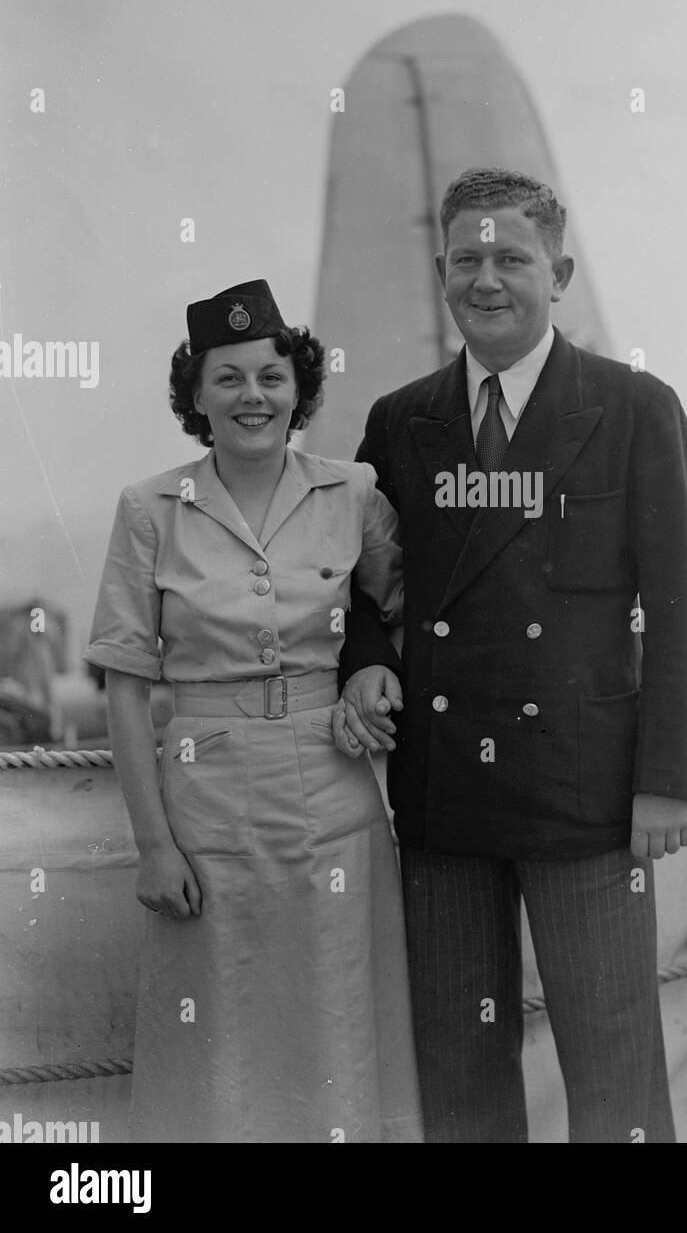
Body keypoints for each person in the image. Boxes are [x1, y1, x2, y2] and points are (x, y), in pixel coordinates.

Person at [339, 169, 687, 1143]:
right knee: (457, 1065)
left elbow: (682, 607)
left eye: (510, 257)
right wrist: (366, 663)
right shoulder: (399, 421)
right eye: (465, 260)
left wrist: (667, 782)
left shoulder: (633, 407)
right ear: (439, 272)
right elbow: (365, 587)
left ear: (556, 271)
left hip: (586, 789)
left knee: (611, 1057)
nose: (487, 278)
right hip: (441, 791)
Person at [83, 279, 421, 1143]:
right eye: (227, 379)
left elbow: (408, 617)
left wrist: (368, 673)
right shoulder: (150, 510)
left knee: (339, 1018)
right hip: (205, 808)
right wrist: (154, 846)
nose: (253, 397)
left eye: (271, 377)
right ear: (194, 396)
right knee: (216, 1032)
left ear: (299, 390)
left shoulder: (353, 494)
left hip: (335, 803)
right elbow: (125, 686)